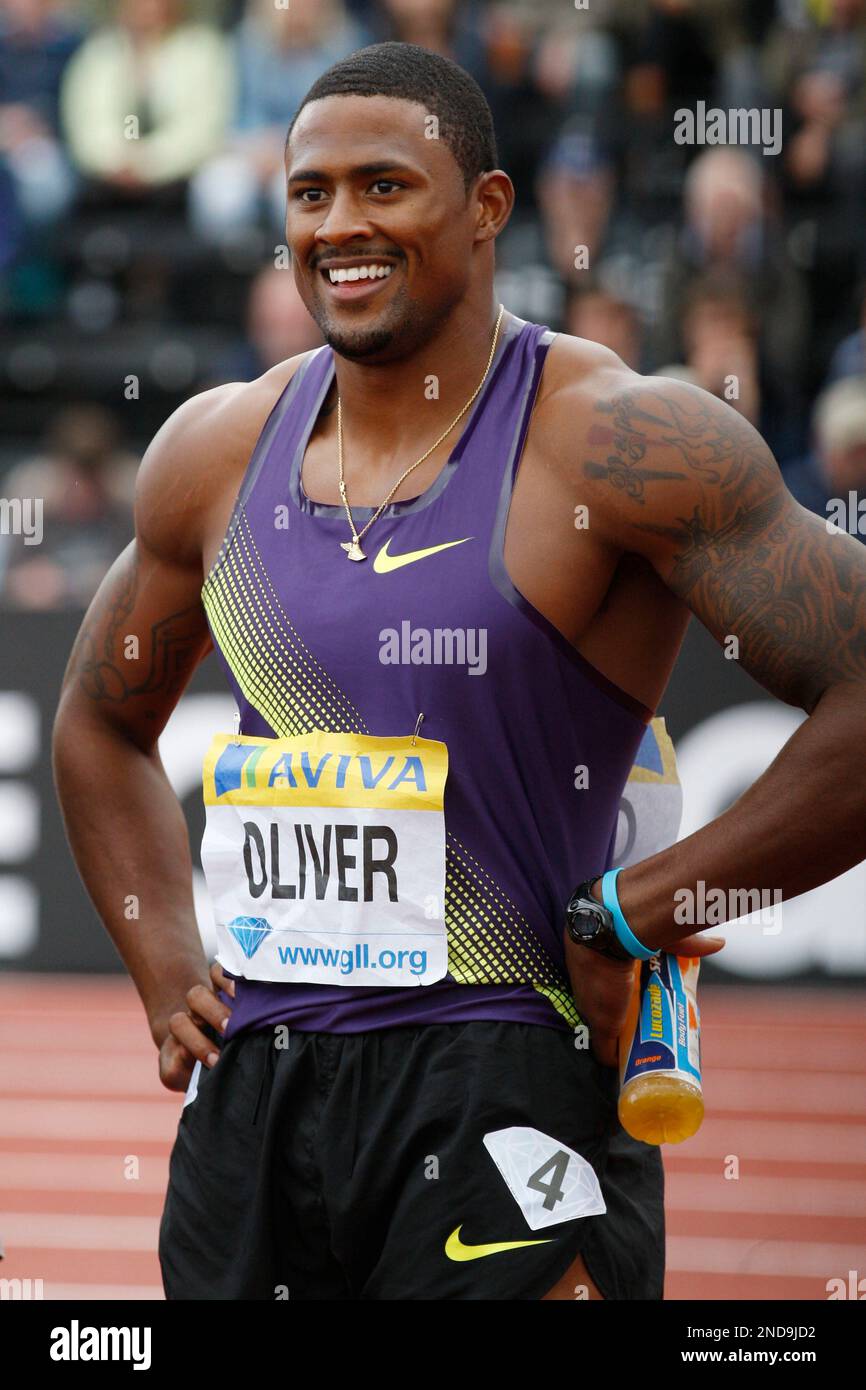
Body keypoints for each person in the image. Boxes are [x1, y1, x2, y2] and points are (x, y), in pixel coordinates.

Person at [52, 41, 866, 1301]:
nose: (340, 226)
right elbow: (101, 722)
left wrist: (641, 913)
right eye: (309, 194)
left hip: (507, 1078)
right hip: (262, 1094)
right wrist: (168, 970)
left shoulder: (613, 440)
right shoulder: (215, 451)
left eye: (384, 185)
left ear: (485, 207)